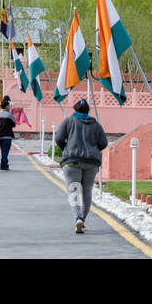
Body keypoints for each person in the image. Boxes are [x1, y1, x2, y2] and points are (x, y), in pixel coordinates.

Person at [54, 99, 108, 233]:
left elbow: (59, 138)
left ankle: (77, 216)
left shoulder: (69, 121)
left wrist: (66, 148)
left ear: (75, 109)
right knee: (87, 191)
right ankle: (83, 219)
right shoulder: (95, 124)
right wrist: (94, 149)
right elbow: (104, 142)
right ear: (87, 110)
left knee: (74, 190)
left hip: (72, 160)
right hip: (91, 162)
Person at [0, 96, 16, 170]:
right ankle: (3, 165)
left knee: (3, 150)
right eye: (9, 106)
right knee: (5, 151)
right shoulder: (9, 115)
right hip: (7, 135)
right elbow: (14, 124)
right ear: (6, 106)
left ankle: (5, 164)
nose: (9, 107)